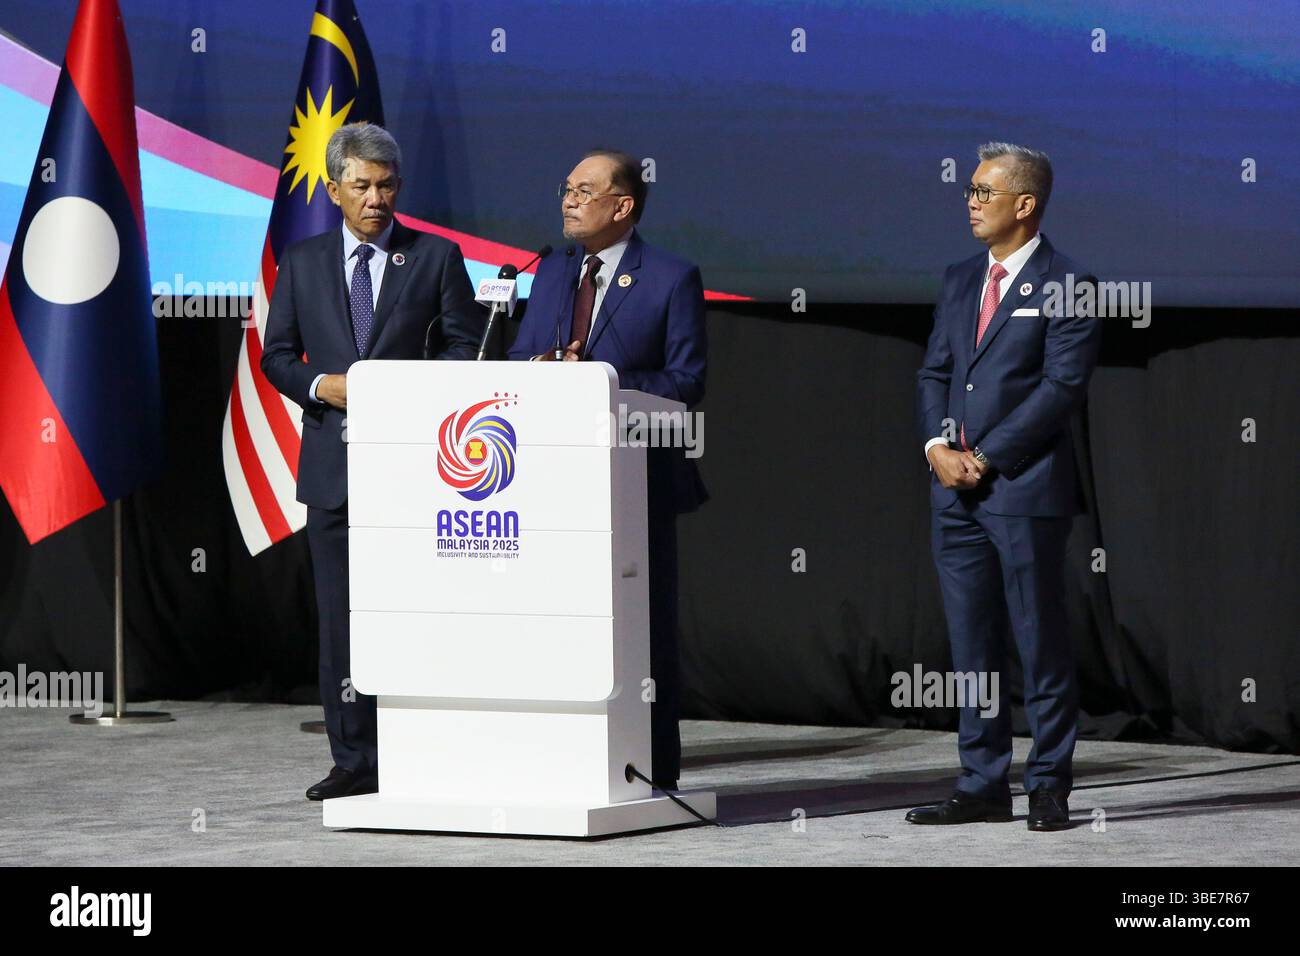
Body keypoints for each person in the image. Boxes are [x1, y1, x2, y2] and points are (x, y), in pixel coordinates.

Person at [261, 123, 483, 801]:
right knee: (342, 624)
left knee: (420, 614)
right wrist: (321, 386)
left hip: (419, 473)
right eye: (361, 185)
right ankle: (355, 761)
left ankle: (426, 749)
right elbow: (277, 357)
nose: (376, 198)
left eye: (387, 185)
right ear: (334, 190)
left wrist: (407, 390)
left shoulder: (436, 257)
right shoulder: (301, 262)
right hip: (334, 471)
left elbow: (465, 349)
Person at [910, 142, 1101, 831]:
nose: (971, 201)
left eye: (985, 192)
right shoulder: (961, 277)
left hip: (1022, 488)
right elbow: (936, 372)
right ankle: (982, 782)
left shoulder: (1068, 282)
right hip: (952, 492)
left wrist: (985, 456)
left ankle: (1048, 783)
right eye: (969, 189)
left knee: (1038, 640)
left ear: (1025, 204)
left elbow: (1061, 388)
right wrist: (937, 446)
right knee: (971, 647)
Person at [508, 148, 707, 789]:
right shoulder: (550, 272)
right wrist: (538, 370)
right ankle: (561, 762)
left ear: (622, 205)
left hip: (634, 482)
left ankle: (652, 770)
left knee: (640, 631)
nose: (568, 199)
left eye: (584, 190)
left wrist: (599, 380)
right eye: (565, 188)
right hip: (548, 485)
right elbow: (514, 359)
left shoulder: (671, 276)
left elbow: (685, 382)